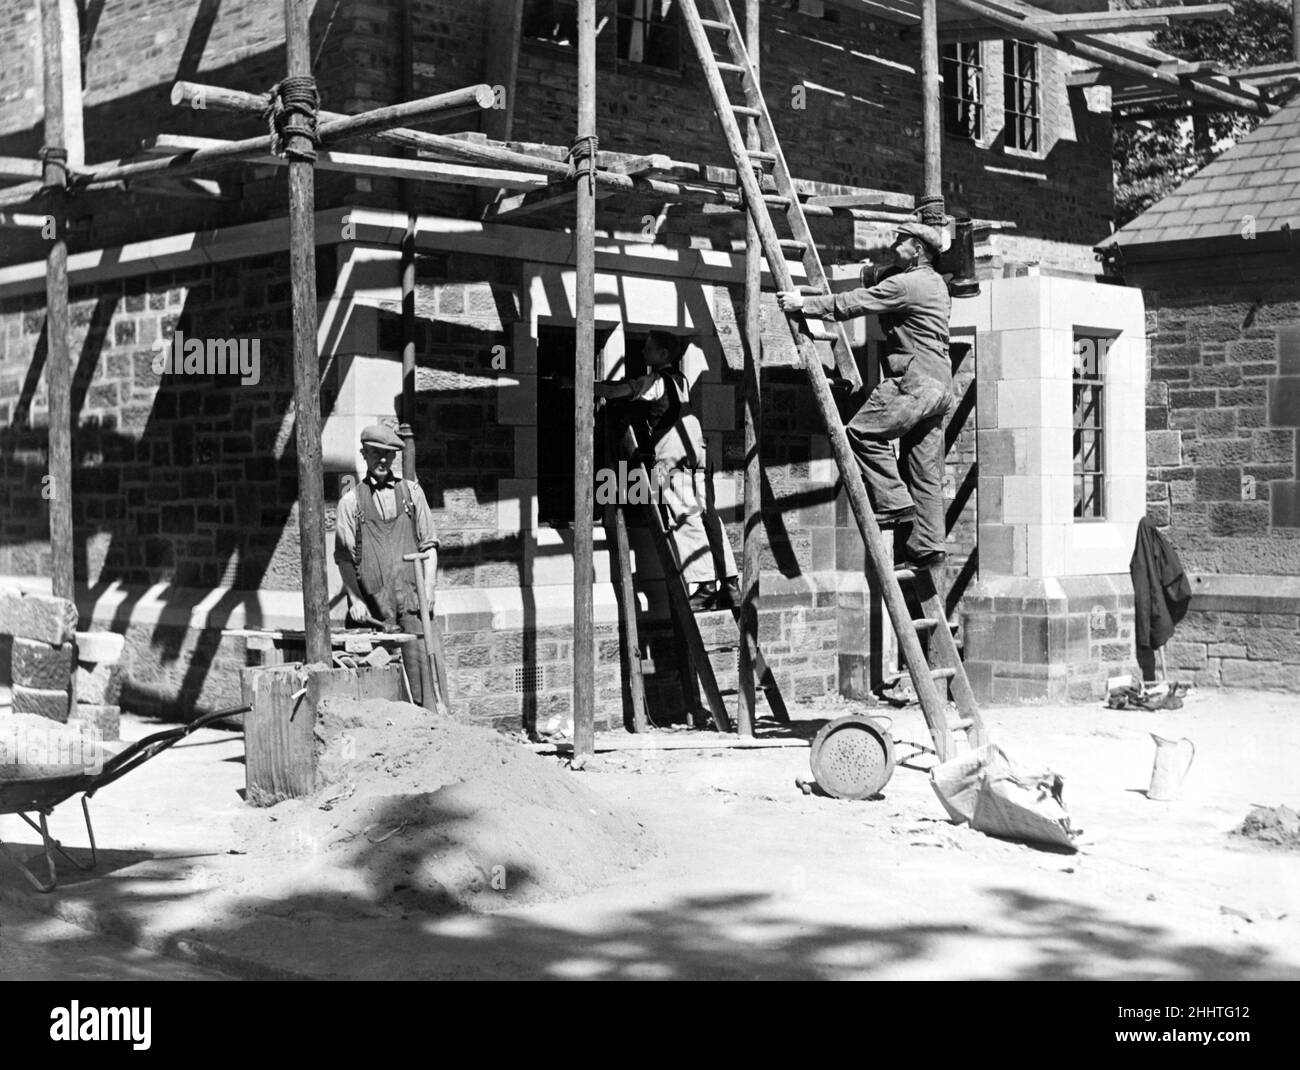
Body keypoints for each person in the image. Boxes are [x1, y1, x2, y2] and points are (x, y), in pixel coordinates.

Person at [777, 220, 953, 570]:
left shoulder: (907, 284)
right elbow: (874, 281)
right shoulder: (933, 283)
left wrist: (804, 303)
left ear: (918, 248)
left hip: (914, 379)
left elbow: (857, 302)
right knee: (924, 470)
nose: (894, 244)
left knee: (861, 432)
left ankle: (892, 503)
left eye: (901, 240)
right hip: (940, 384)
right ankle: (928, 546)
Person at [595, 331, 740, 611]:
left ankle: (706, 585)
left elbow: (619, 391)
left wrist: (588, 386)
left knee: (684, 513)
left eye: (649, 349)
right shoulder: (680, 379)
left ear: (663, 355)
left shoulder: (658, 381)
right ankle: (730, 583)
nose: (643, 353)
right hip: (696, 444)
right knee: (708, 515)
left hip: (674, 448)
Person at [334, 424, 440, 703]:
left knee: (426, 677)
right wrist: (355, 600)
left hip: (413, 603)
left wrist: (429, 588)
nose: (382, 460)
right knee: (379, 683)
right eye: (375, 453)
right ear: (364, 455)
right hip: (374, 608)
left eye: (387, 455)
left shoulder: (412, 494)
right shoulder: (351, 502)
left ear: (394, 458)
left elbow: (429, 545)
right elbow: (344, 560)